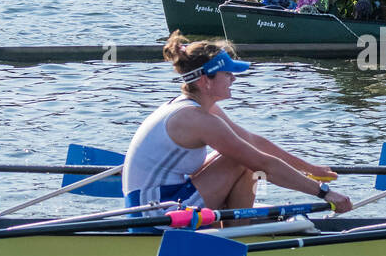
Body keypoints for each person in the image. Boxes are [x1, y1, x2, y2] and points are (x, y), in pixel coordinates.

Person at [123, 34, 353, 221]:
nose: (233, 78)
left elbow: (252, 140)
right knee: (244, 160)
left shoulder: (199, 108)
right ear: (206, 81)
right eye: (227, 73)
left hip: (159, 202)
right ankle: (239, 236)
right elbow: (264, 164)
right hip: (155, 215)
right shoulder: (196, 119)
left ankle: (235, 227)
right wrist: (324, 193)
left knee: (243, 154)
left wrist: (309, 168)